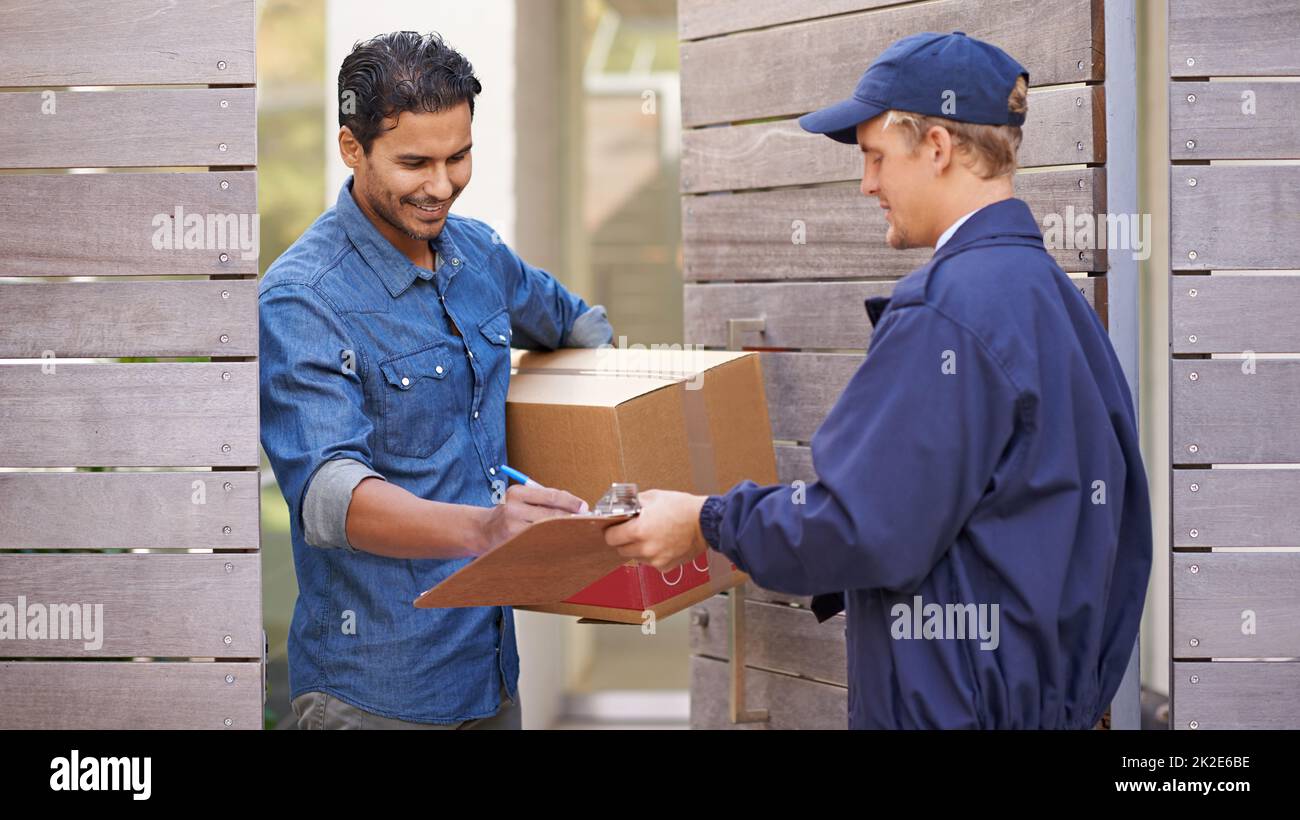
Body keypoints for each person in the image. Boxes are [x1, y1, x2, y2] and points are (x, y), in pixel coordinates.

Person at [605, 31, 1152, 729]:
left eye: (874, 157)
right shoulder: (1054, 299)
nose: (867, 183)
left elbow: (861, 525)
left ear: (937, 147)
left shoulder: (948, 311)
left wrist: (706, 521)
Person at [260, 31, 608, 729]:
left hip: (490, 677)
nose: (441, 185)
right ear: (352, 149)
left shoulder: (477, 253)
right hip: (375, 694)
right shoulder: (302, 298)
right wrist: (487, 529)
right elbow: (330, 497)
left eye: (459, 157)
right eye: (415, 162)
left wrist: (597, 445)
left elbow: (581, 329)